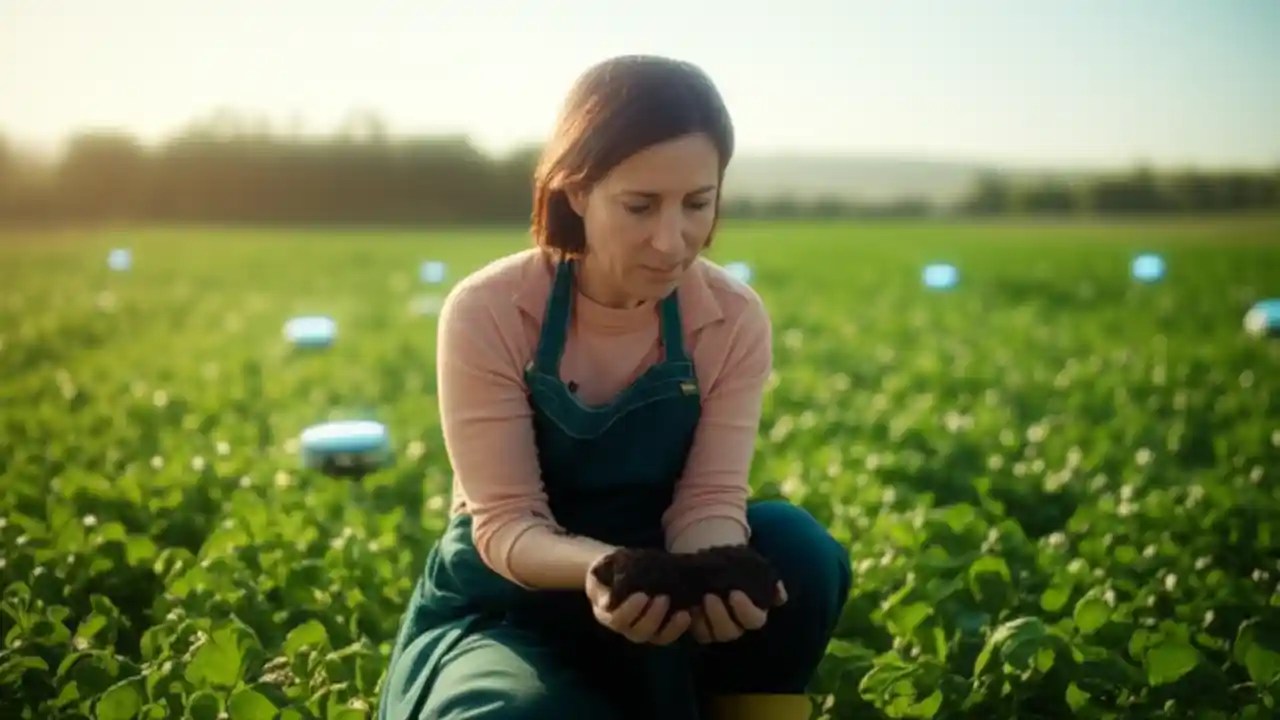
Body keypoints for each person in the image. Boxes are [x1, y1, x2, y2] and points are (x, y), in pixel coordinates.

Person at [377, 54, 852, 720]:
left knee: (797, 552)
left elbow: (710, 498)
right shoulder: (491, 309)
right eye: (640, 206)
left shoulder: (731, 317)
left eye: (697, 204)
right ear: (576, 191)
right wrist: (609, 570)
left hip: (653, 590)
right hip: (513, 598)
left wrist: (707, 576)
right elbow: (508, 522)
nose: (672, 241)